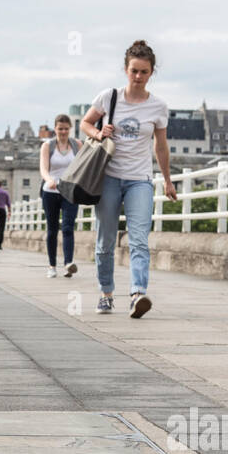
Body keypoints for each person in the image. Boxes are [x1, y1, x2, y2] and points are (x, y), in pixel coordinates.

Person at [78, 40, 177, 317]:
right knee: (105, 240)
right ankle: (106, 293)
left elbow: (161, 146)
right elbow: (85, 123)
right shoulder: (108, 97)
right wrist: (98, 133)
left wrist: (168, 180)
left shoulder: (158, 107)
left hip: (140, 180)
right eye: (134, 70)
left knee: (139, 240)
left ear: (151, 73)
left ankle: (137, 294)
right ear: (125, 69)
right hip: (108, 176)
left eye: (144, 72)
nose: (138, 77)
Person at [40, 114, 81, 278]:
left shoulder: (77, 144)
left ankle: (68, 264)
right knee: (52, 229)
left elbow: (84, 166)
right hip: (50, 191)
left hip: (70, 191)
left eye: (66, 129)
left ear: (70, 129)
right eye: (60, 128)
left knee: (68, 227)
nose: (63, 132)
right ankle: (51, 265)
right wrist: (49, 180)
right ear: (55, 129)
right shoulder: (47, 146)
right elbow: (43, 168)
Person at [0, 180, 11, 250]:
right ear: (1, 185)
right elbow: (8, 203)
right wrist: (10, 212)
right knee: (1, 228)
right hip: (2, 210)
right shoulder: (5, 192)